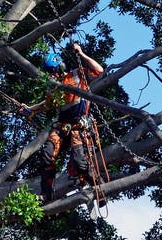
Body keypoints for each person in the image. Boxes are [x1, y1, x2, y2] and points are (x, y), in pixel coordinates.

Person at [21, 42, 104, 204]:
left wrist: (81, 54)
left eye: (53, 71)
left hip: (79, 126)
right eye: (49, 73)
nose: (51, 75)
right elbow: (47, 105)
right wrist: (30, 109)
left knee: (80, 163)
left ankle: (96, 184)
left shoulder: (76, 75)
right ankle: (47, 194)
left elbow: (99, 71)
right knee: (46, 156)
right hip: (62, 126)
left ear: (60, 67)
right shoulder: (53, 88)